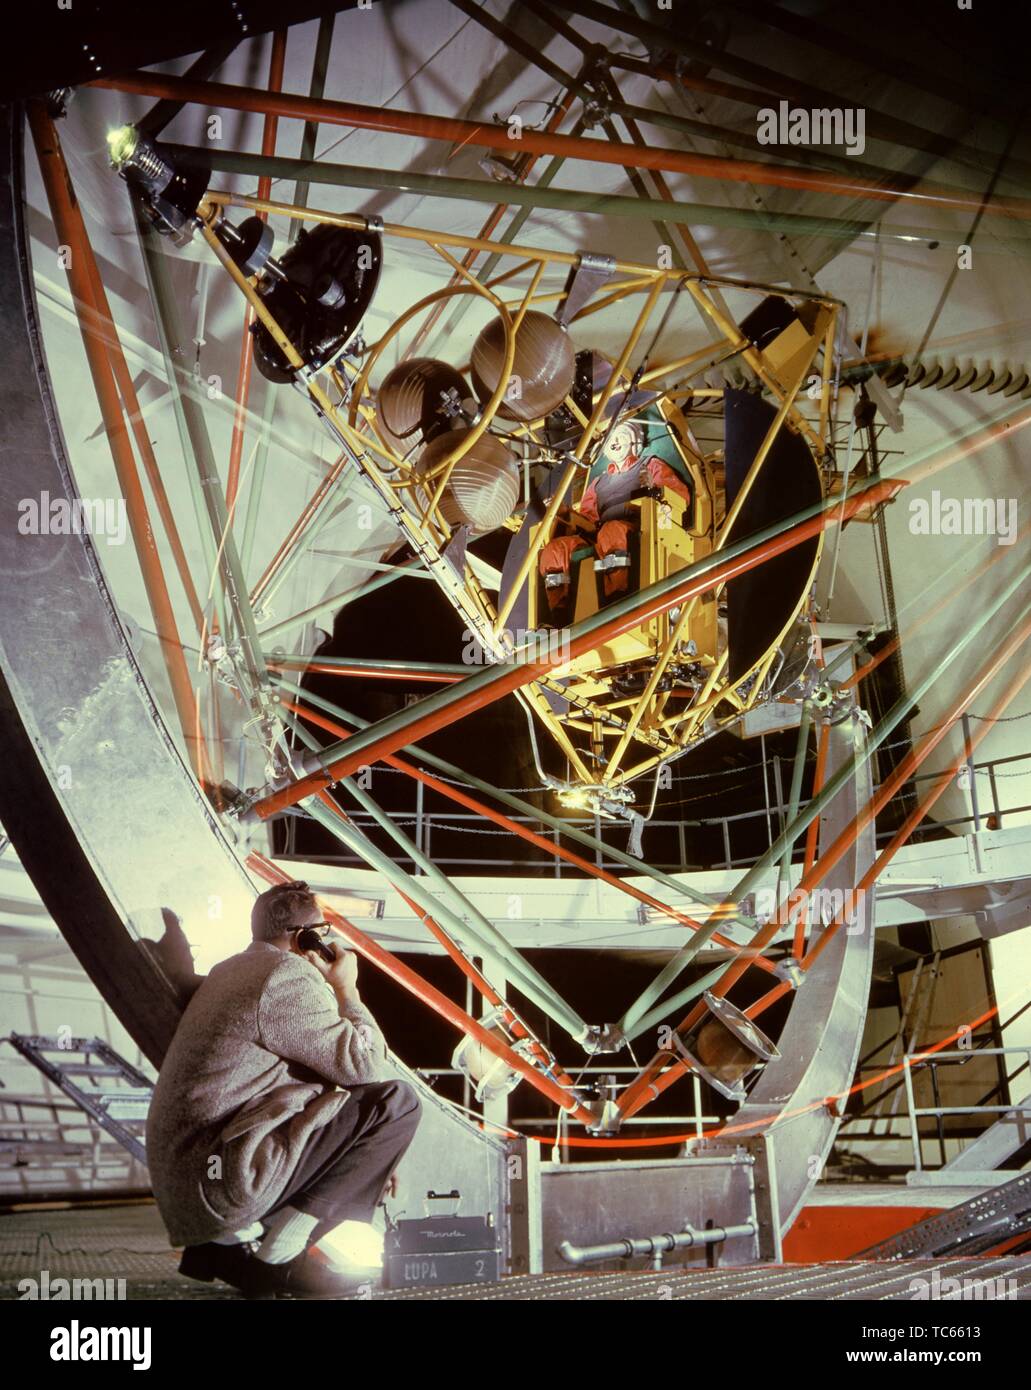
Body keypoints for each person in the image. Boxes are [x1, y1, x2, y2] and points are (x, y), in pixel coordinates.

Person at [145, 880, 421, 1299]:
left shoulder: (230, 969)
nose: (330, 941)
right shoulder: (285, 975)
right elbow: (366, 1066)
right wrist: (348, 988)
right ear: (304, 937)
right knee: (398, 1103)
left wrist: (371, 1154)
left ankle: (221, 1249)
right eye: (324, 931)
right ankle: (277, 1261)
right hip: (224, 1178)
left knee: (362, 1114)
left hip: (192, 1179)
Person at [538, 421, 692, 617]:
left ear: (634, 442)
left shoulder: (650, 465)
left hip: (639, 526)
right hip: (600, 534)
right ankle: (559, 607)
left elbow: (680, 497)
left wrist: (655, 490)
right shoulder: (598, 482)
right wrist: (563, 512)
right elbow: (587, 519)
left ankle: (616, 596)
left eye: (621, 435)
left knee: (611, 532)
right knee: (555, 549)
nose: (615, 441)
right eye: (611, 438)